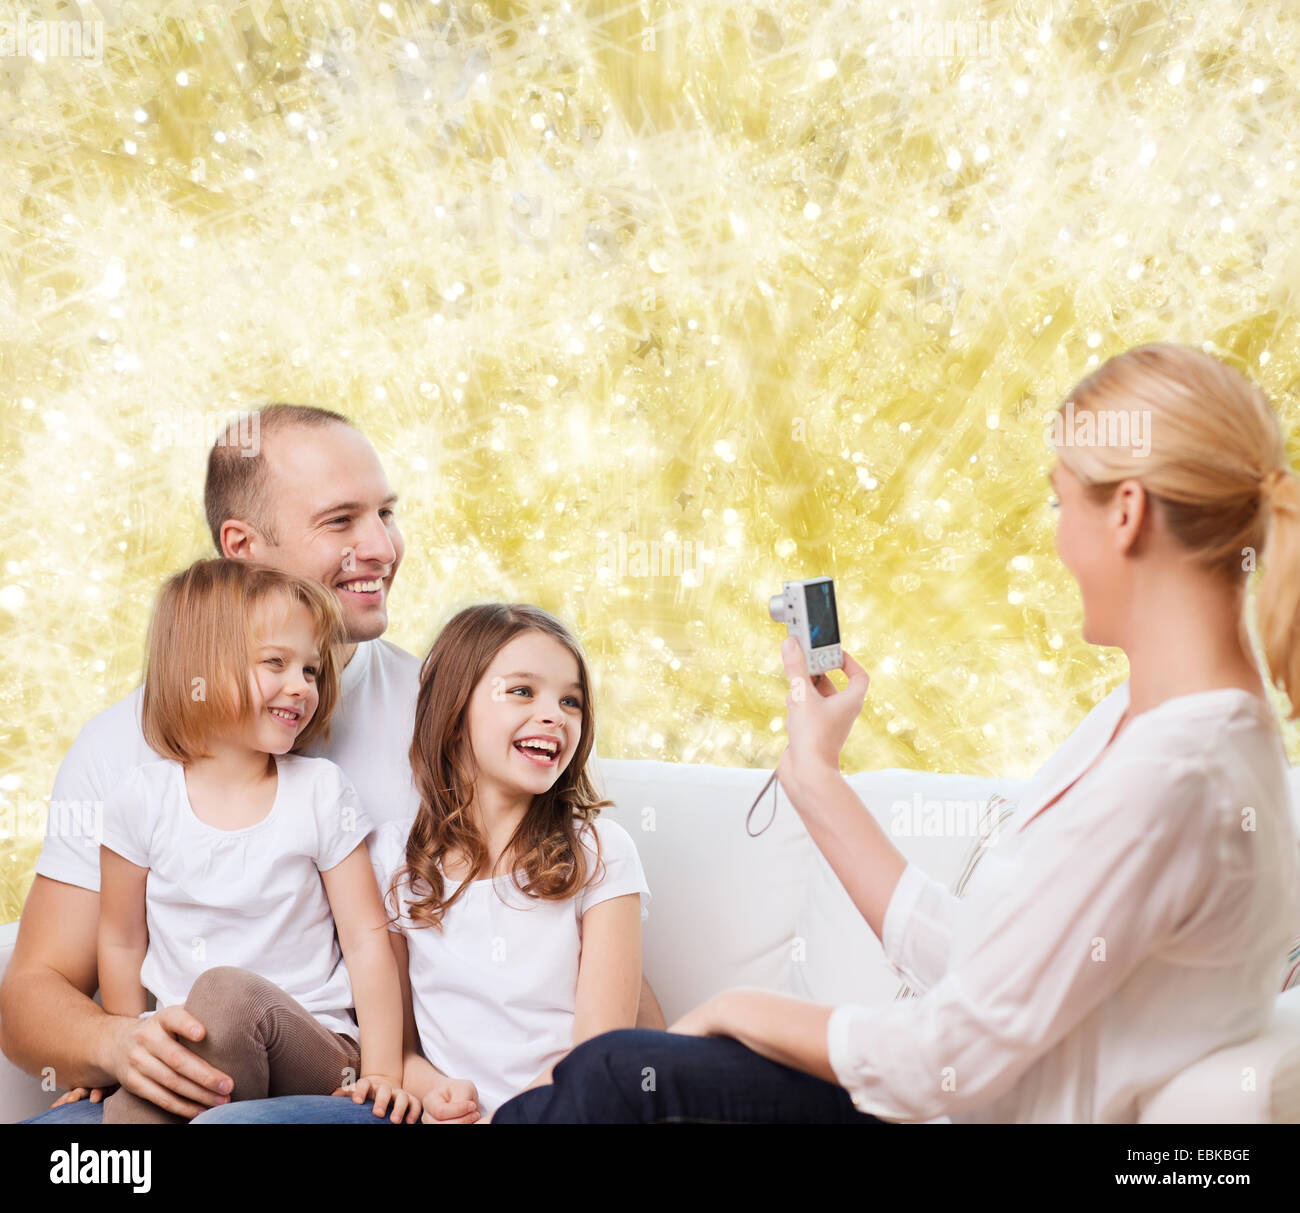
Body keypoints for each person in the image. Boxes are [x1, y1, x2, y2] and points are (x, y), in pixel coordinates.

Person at [492, 342, 1300, 1124]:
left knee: (616, 1074)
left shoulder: (1178, 775)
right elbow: (991, 971)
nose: (1057, 539)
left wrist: (737, 1009)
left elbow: (944, 1057)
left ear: (1126, 512)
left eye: (1061, 502)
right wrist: (814, 773)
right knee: (612, 1073)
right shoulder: (1156, 727)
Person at [3, 404, 663, 1126]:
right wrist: (118, 1042)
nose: (382, 544)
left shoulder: (449, 716)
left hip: (357, 1084)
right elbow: (33, 996)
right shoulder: (124, 751)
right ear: (241, 547)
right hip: (193, 1068)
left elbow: (577, 925)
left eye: (386, 512)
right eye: (341, 520)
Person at [91, 559, 418, 1123]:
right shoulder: (139, 800)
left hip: (317, 1050)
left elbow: (367, 940)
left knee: (225, 991)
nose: (302, 686)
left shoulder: (319, 792)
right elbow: (120, 942)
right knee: (170, 1062)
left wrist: (384, 1071)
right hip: (195, 1053)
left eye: (311, 671)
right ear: (199, 667)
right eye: (276, 663)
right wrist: (127, 1055)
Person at [368, 604, 649, 1122]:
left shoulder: (600, 853)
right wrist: (437, 1092)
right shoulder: (395, 860)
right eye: (522, 691)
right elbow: (397, 1051)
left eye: (571, 701)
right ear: (453, 714)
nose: (554, 715)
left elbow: (598, 1055)